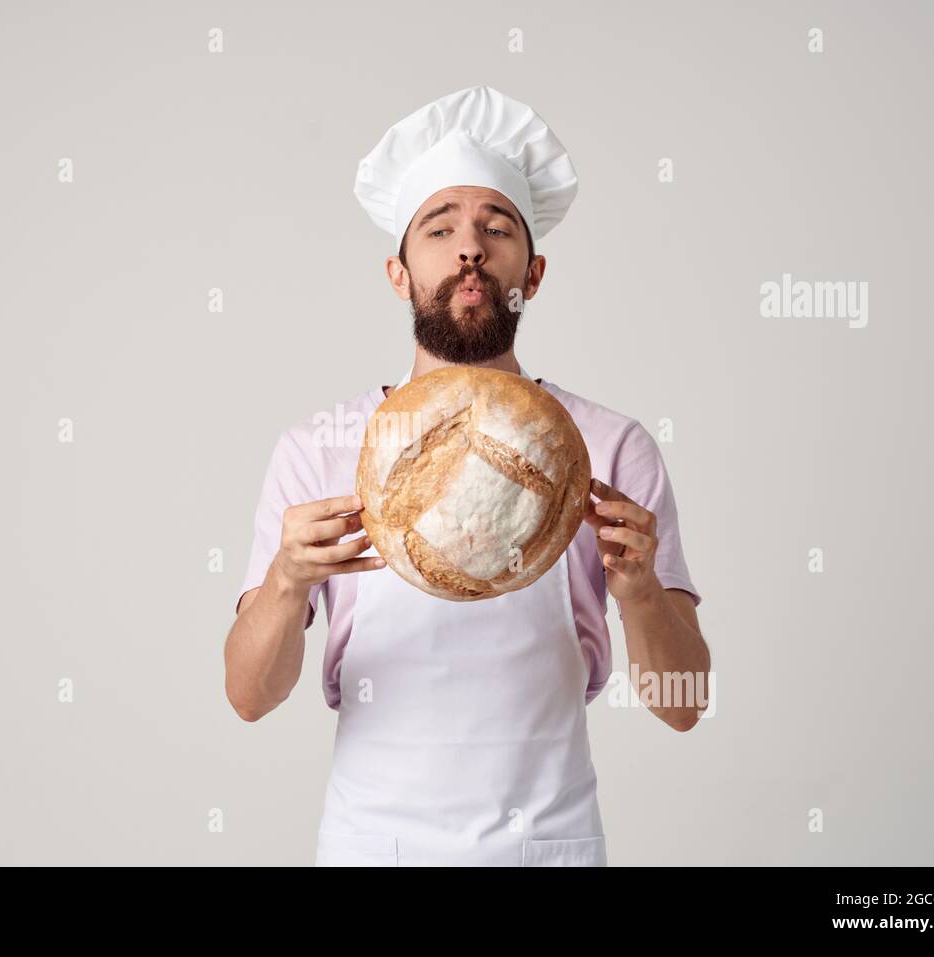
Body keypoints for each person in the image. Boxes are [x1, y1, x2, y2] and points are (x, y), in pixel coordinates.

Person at [225, 85, 710, 866]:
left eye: (496, 227)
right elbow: (249, 697)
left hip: (546, 848)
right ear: (397, 270)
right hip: (373, 848)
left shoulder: (611, 448)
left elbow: (683, 707)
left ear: (535, 270)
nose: (470, 248)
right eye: (440, 226)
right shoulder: (320, 448)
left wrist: (643, 592)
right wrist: (285, 580)